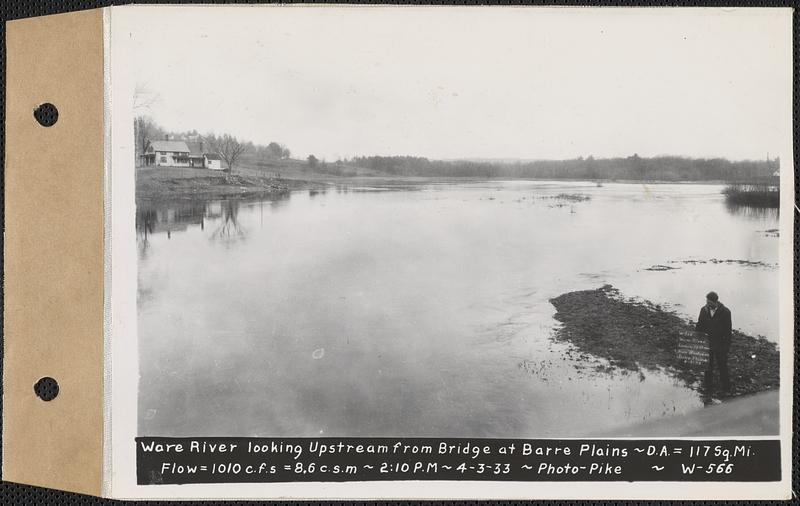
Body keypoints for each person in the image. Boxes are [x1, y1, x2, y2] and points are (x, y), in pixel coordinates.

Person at [695, 291, 732, 393]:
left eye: (709, 302)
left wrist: (726, 346)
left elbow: (728, 331)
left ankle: (726, 387)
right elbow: (699, 324)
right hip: (707, 343)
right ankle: (708, 386)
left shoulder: (726, 312)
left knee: (722, 366)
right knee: (708, 366)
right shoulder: (703, 310)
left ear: (715, 301)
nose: (707, 304)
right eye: (706, 301)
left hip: (720, 344)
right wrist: (697, 337)